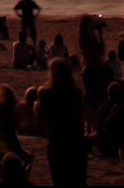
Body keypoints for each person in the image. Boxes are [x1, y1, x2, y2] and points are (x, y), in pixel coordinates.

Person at [35, 58, 86, 187]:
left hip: (58, 142)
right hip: (76, 142)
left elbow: (41, 120)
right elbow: (81, 115)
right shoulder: (76, 93)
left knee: (60, 181)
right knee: (78, 180)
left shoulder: (47, 94)